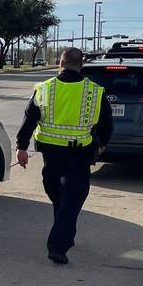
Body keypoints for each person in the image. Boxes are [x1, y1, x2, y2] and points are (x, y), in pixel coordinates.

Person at [14, 47, 112, 265]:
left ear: (60, 64)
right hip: (79, 153)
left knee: (63, 194)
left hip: (51, 153)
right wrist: (102, 144)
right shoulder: (95, 92)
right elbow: (106, 123)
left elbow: (30, 118)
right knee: (68, 198)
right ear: (81, 65)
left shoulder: (44, 89)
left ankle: (58, 246)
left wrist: (21, 146)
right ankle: (64, 232)